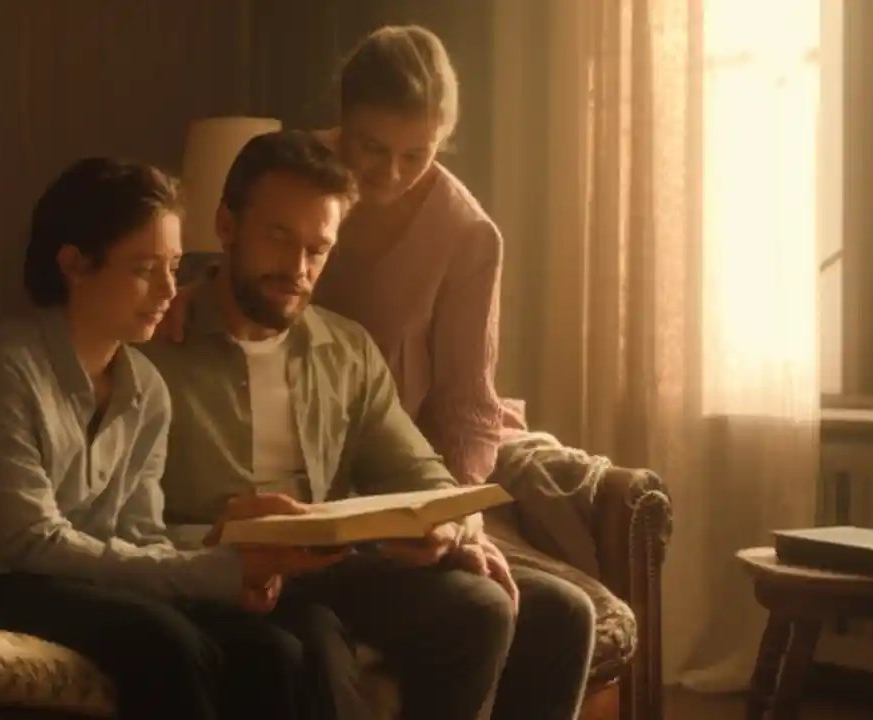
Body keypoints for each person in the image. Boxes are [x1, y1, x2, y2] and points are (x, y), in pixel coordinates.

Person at [162, 26, 598, 720]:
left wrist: (452, 527)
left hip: (366, 505)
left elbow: (458, 411)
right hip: (255, 543)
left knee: (553, 612)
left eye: (416, 156)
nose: (390, 174)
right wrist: (173, 292)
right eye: (372, 148)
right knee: (317, 643)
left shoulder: (427, 271)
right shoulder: (287, 181)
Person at [0, 158, 345, 720]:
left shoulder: (145, 388)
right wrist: (218, 573)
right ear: (75, 265)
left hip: (76, 576)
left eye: (175, 267)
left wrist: (237, 541)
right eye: (144, 269)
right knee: (165, 644)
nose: (167, 290)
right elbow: (29, 542)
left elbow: (137, 533)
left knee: (271, 649)